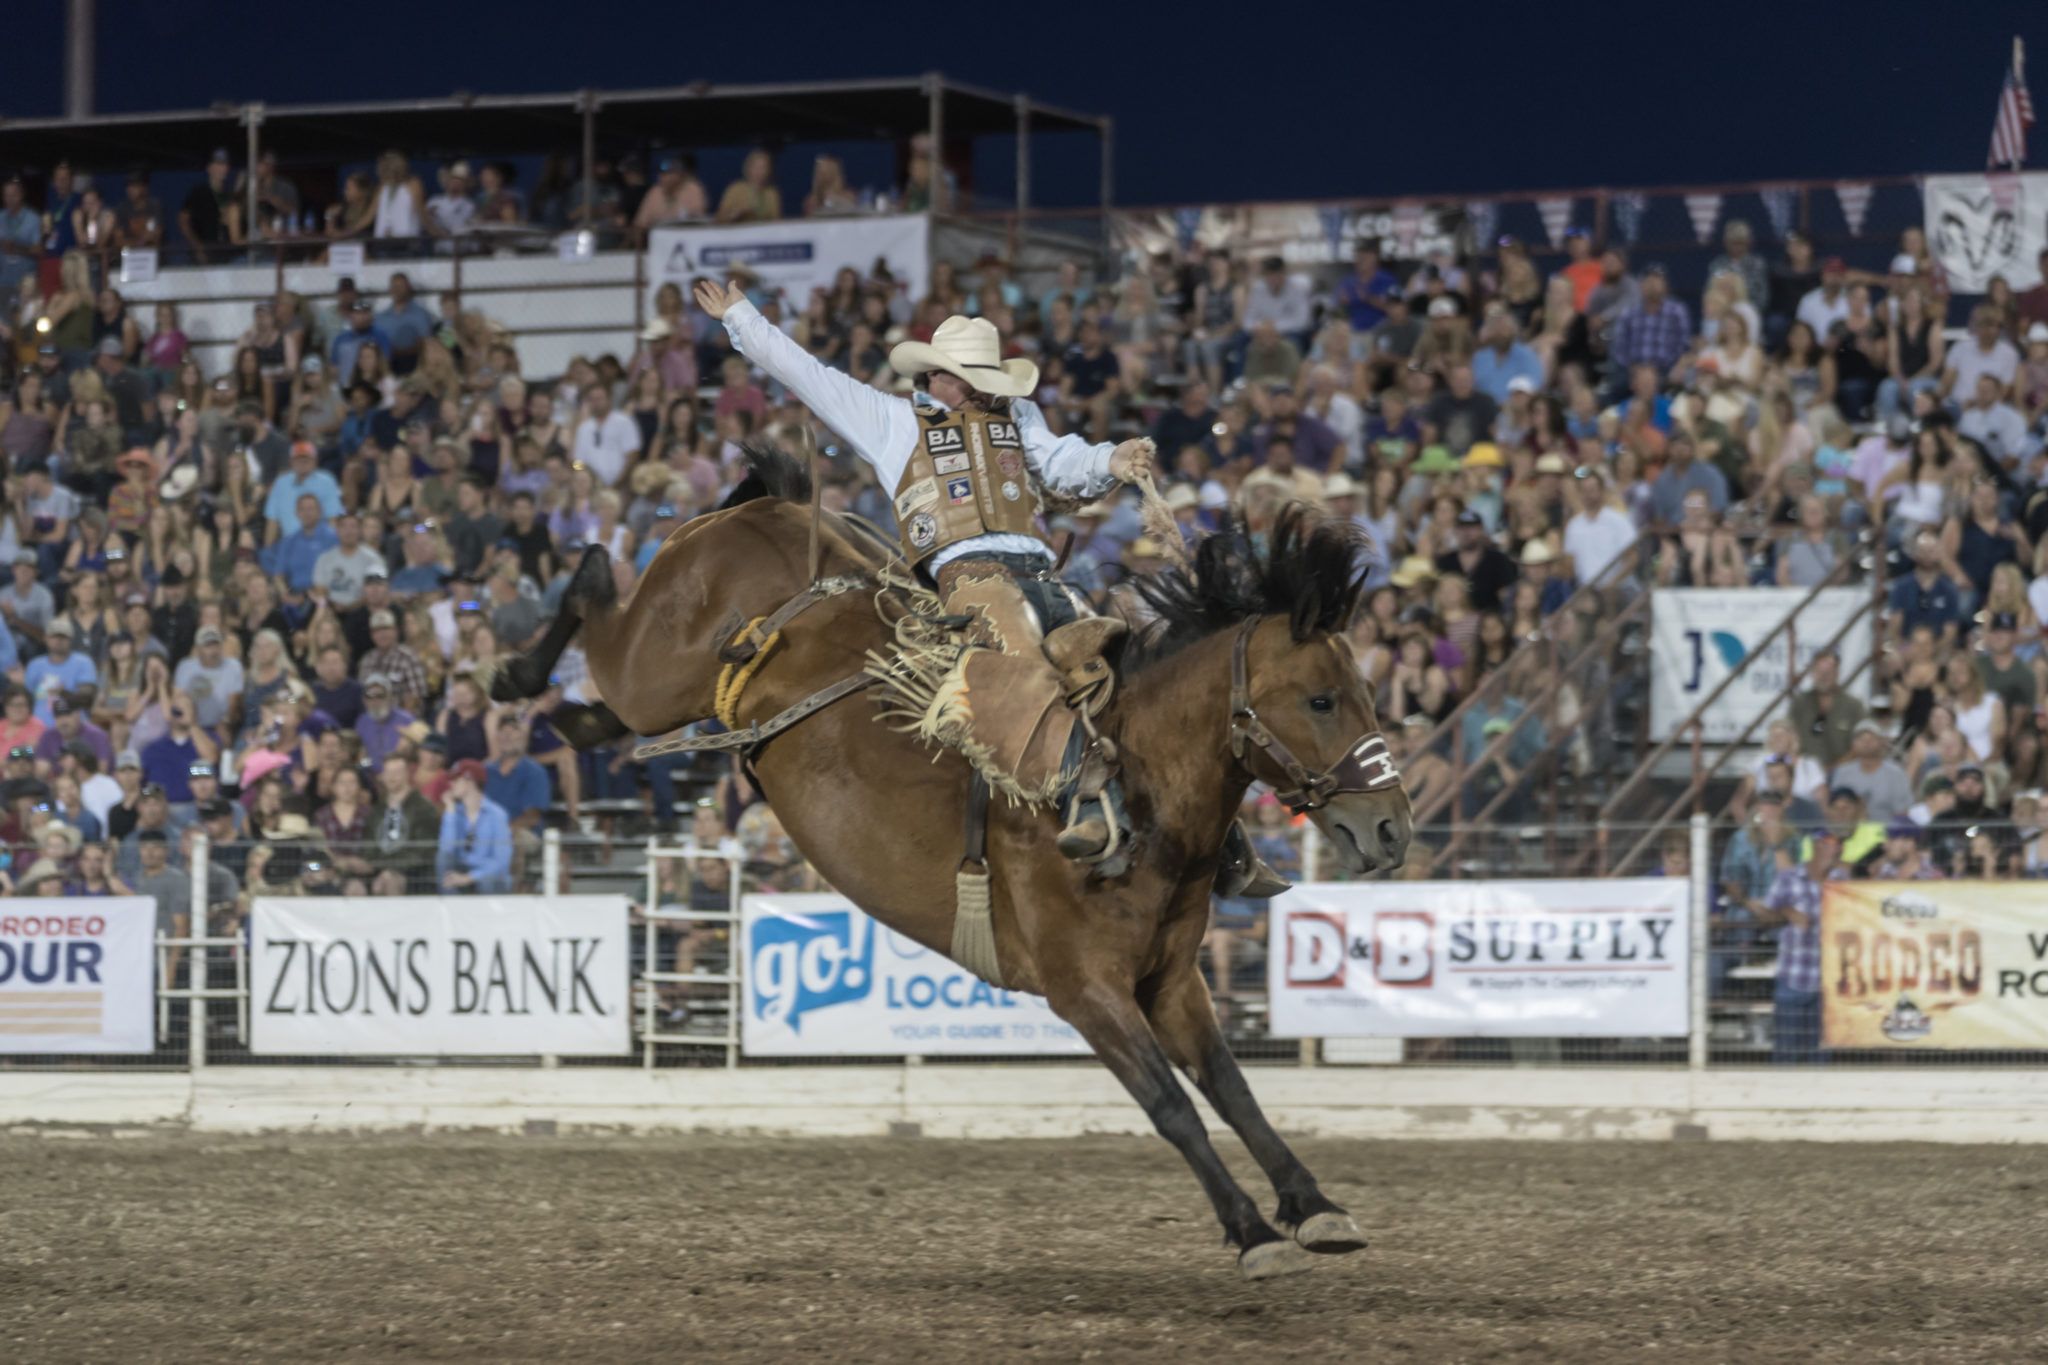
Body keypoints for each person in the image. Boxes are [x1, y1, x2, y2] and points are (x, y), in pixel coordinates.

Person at [702, 277, 1194, 873]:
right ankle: (1088, 801)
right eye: (973, 378)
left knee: (1124, 658)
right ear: (938, 375)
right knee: (1021, 663)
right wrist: (742, 317)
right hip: (971, 579)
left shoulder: (1017, 415)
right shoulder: (890, 420)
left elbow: (1060, 459)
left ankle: (1201, 822)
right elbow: (807, 375)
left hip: (1041, 572)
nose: (984, 390)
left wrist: (1109, 458)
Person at [1760, 830, 1841, 1064]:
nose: (1836, 849)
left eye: (1838, 844)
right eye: (1830, 843)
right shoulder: (1789, 877)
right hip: (1794, 975)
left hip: (1828, 983)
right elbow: (1765, 914)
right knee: (1787, 1052)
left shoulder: (1841, 881)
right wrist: (1787, 911)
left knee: (1820, 1055)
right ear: (1816, 846)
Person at [437, 758, 513, 894]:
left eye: (456, 780)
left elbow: (501, 861)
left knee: (487, 881)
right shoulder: (454, 813)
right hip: (462, 868)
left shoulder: (497, 815)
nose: (451, 784)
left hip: (489, 875)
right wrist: (450, 810)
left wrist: (470, 877)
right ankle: (450, 905)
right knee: (442, 858)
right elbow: (446, 850)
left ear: (469, 781)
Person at [1788, 648, 1865, 770]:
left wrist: (1834, 768)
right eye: (1819, 672)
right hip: (1805, 771)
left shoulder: (1853, 706)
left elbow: (1862, 744)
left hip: (1844, 771)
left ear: (1837, 673)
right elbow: (1789, 736)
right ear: (1812, 673)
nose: (1823, 677)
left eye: (1828, 672)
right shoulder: (1800, 703)